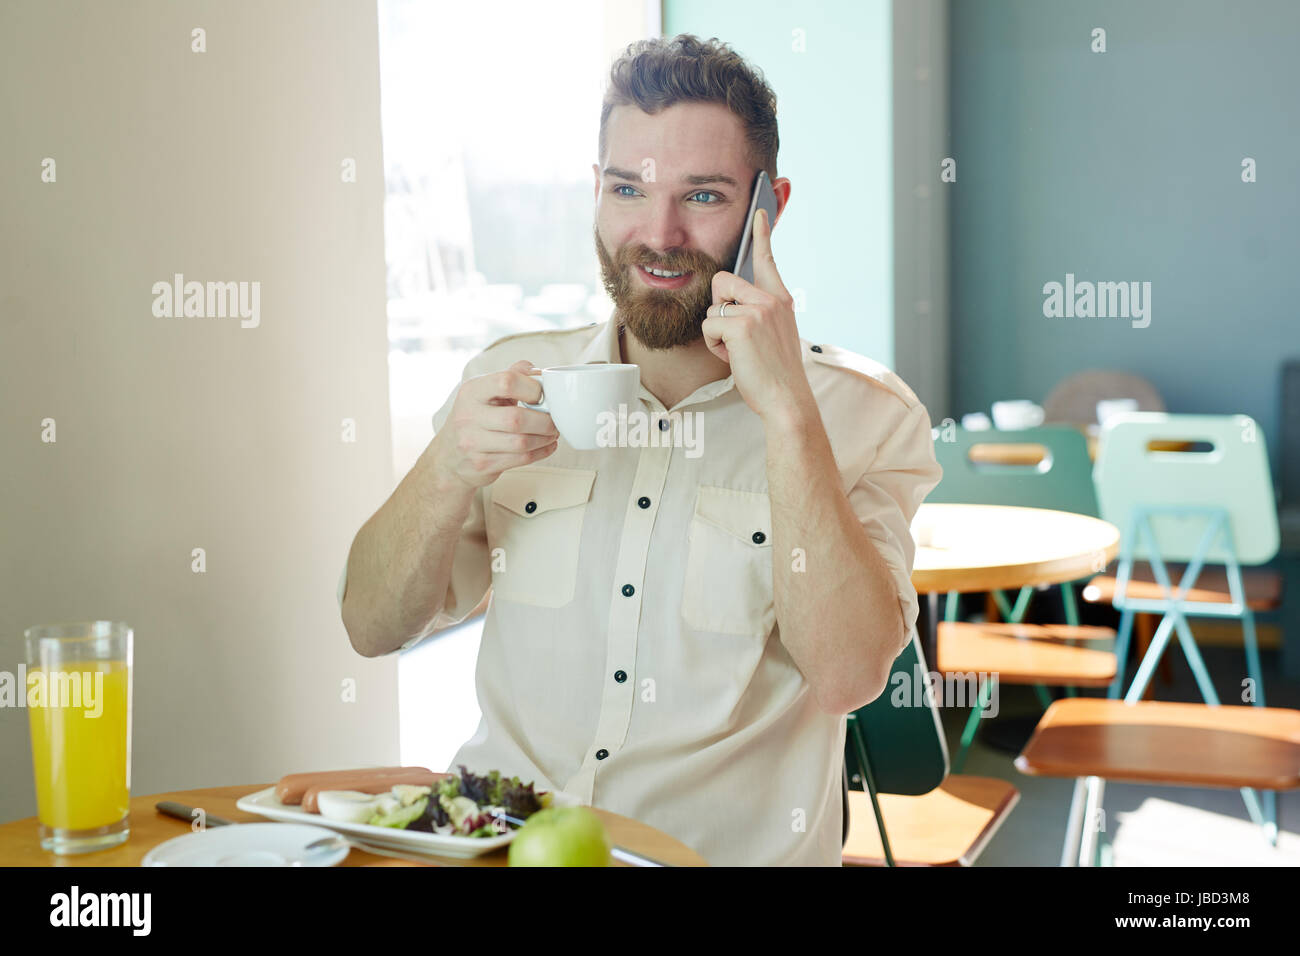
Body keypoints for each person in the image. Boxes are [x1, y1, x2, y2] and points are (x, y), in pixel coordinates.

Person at [340, 34, 942, 866]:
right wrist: (446, 467)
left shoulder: (862, 416)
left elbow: (848, 677)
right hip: (501, 848)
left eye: (702, 195)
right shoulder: (509, 378)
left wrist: (789, 417)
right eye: (629, 188)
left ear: (768, 209)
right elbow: (369, 627)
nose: (658, 234)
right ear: (596, 191)